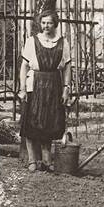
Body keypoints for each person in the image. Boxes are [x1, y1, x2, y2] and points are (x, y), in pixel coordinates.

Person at [18, 9, 72, 172]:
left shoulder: (63, 43)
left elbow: (68, 67)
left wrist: (66, 89)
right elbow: (24, 67)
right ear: (40, 24)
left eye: (49, 23)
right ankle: (32, 160)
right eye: (43, 23)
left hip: (54, 83)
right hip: (34, 84)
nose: (46, 26)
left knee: (49, 121)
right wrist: (21, 89)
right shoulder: (32, 41)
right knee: (31, 121)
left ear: (55, 24)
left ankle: (47, 160)